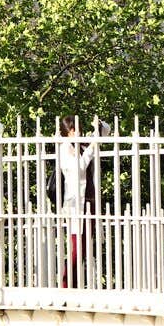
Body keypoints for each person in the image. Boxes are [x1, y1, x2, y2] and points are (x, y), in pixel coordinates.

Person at [54, 118, 99, 289]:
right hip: (75, 202)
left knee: (85, 243)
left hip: (89, 199)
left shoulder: (80, 145)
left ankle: (73, 282)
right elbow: (79, 167)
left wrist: (98, 126)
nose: (78, 132)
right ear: (69, 131)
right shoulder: (65, 148)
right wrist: (92, 147)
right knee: (77, 245)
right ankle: (66, 283)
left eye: (79, 128)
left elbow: (106, 131)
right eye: (75, 129)